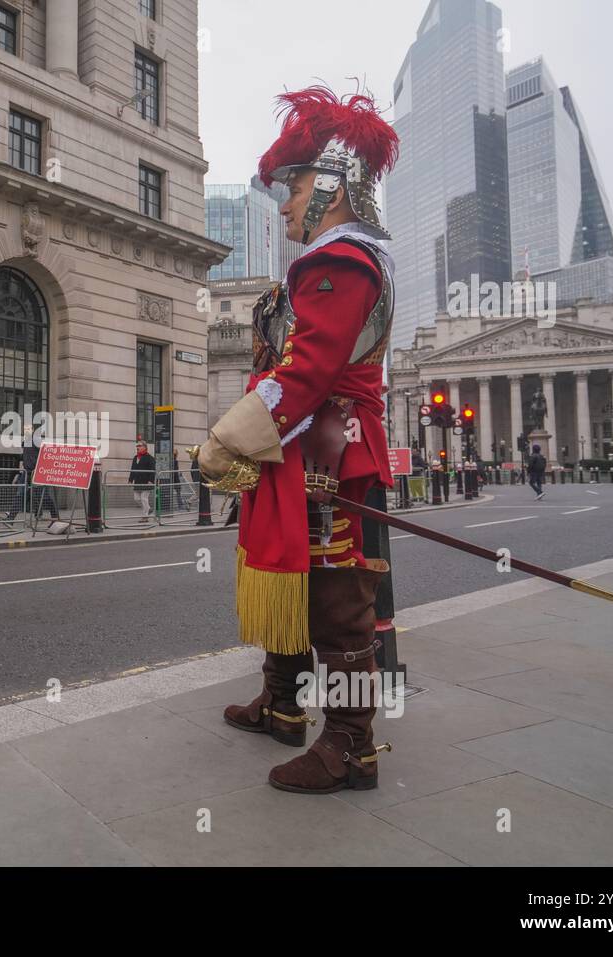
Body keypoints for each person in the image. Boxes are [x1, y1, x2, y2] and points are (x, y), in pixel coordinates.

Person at [198, 86, 398, 794]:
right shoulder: (317, 265)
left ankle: (350, 744)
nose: (283, 201)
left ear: (336, 187)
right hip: (305, 447)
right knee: (290, 575)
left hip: (329, 450)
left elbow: (306, 374)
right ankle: (283, 702)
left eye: (295, 185)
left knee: (339, 604)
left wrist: (228, 439)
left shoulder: (341, 261)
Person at [129, 438, 156, 523]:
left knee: (144, 498)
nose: (137, 447)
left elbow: (153, 469)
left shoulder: (150, 458)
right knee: (136, 498)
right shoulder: (135, 457)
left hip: (146, 481)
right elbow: (132, 469)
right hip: (137, 481)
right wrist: (130, 479)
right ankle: (148, 509)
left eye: (139, 446)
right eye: (137, 446)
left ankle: (145, 517)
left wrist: (151, 480)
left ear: (145, 447)